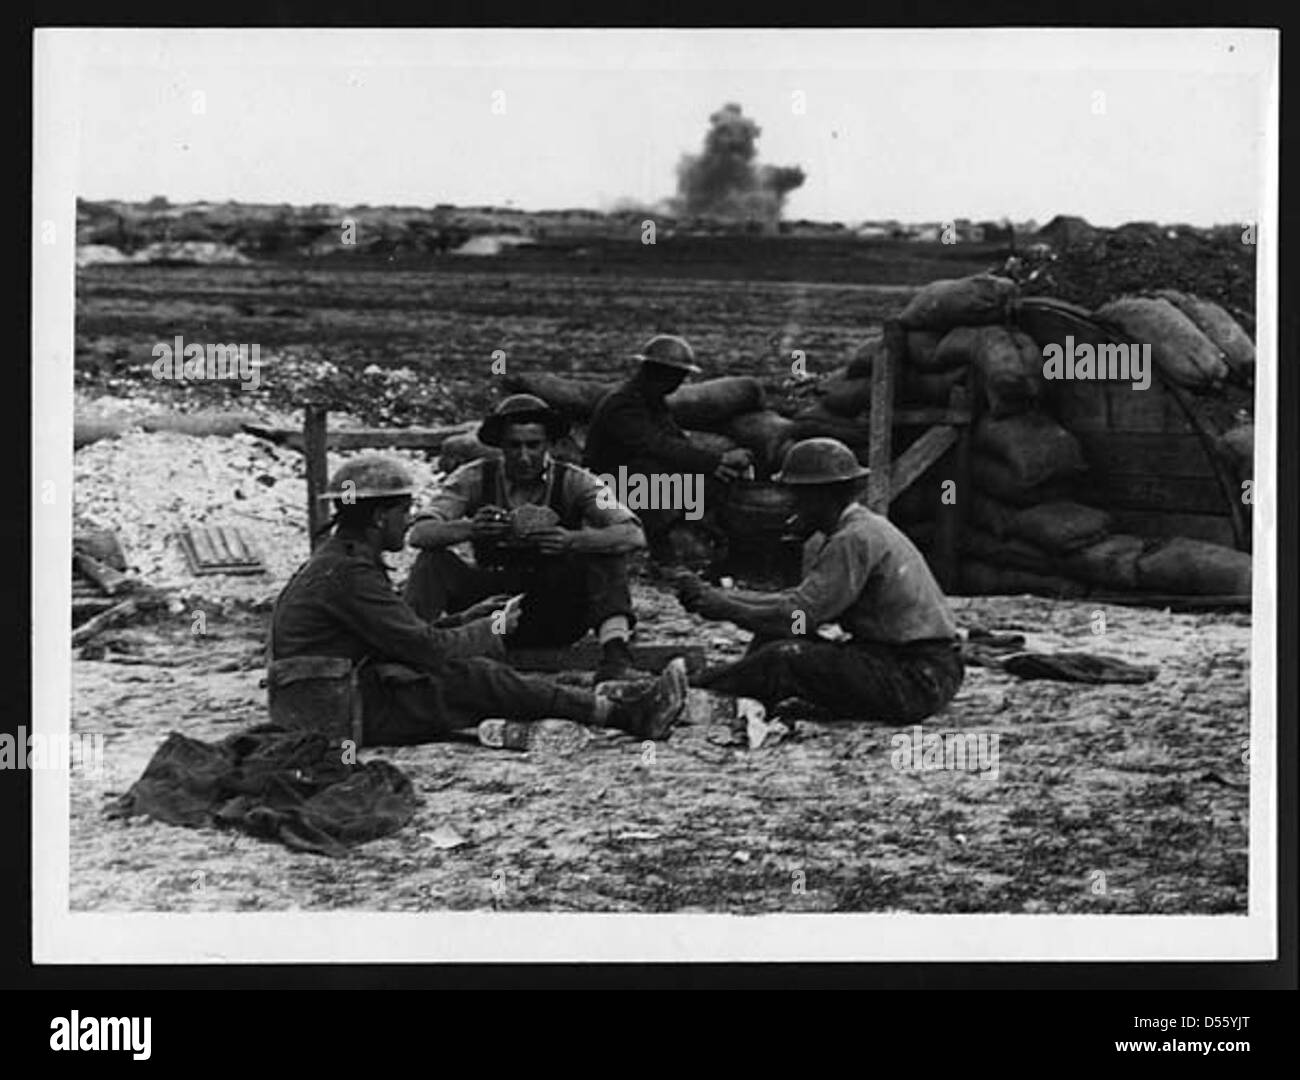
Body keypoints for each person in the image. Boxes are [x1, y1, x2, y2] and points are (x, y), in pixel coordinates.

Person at [267, 453, 687, 749]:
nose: (409, 519)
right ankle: (623, 714)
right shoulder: (350, 572)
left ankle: (606, 703)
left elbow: (394, 636)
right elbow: (428, 650)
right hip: (340, 709)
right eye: (403, 510)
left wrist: (465, 619)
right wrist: (491, 629)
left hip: (325, 697)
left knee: (473, 677)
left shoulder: (340, 559)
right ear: (379, 518)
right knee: (478, 677)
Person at [670, 438, 963, 723]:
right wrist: (718, 598)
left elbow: (797, 616)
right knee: (776, 639)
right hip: (900, 664)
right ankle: (725, 690)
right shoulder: (858, 527)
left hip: (916, 680)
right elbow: (797, 602)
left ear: (823, 496)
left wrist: (722, 606)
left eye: (797, 495)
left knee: (785, 658)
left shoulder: (854, 538)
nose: (791, 504)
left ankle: (692, 690)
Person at [403, 394, 645, 684]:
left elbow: (632, 533)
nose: (524, 456)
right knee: (432, 561)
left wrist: (571, 540)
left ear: (549, 445)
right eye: (514, 446)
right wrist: (470, 528)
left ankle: (616, 657)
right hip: (490, 608)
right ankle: (408, 651)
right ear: (500, 446)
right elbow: (420, 533)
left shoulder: (577, 481)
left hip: (554, 607)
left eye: (533, 445)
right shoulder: (473, 478)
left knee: (606, 551)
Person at [582, 334, 753, 557]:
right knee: (653, 472)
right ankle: (661, 542)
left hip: (630, 482)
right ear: (663, 374)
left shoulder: (651, 401)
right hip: (607, 487)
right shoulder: (623, 404)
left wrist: (718, 462)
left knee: (704, 479)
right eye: (679, 376)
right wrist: (715, 461)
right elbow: (656, 445)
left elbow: (676, 442)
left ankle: (687, 530)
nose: (680, 382)